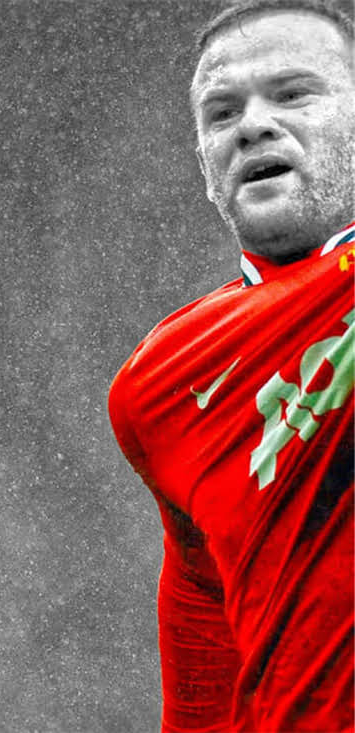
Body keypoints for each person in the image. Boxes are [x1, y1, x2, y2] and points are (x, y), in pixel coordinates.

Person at [108, 1, 355, 731]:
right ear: (204, 165)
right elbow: (203, 643)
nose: (252, 125)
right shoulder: (160, 383)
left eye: (293, 93)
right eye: (221, 113)